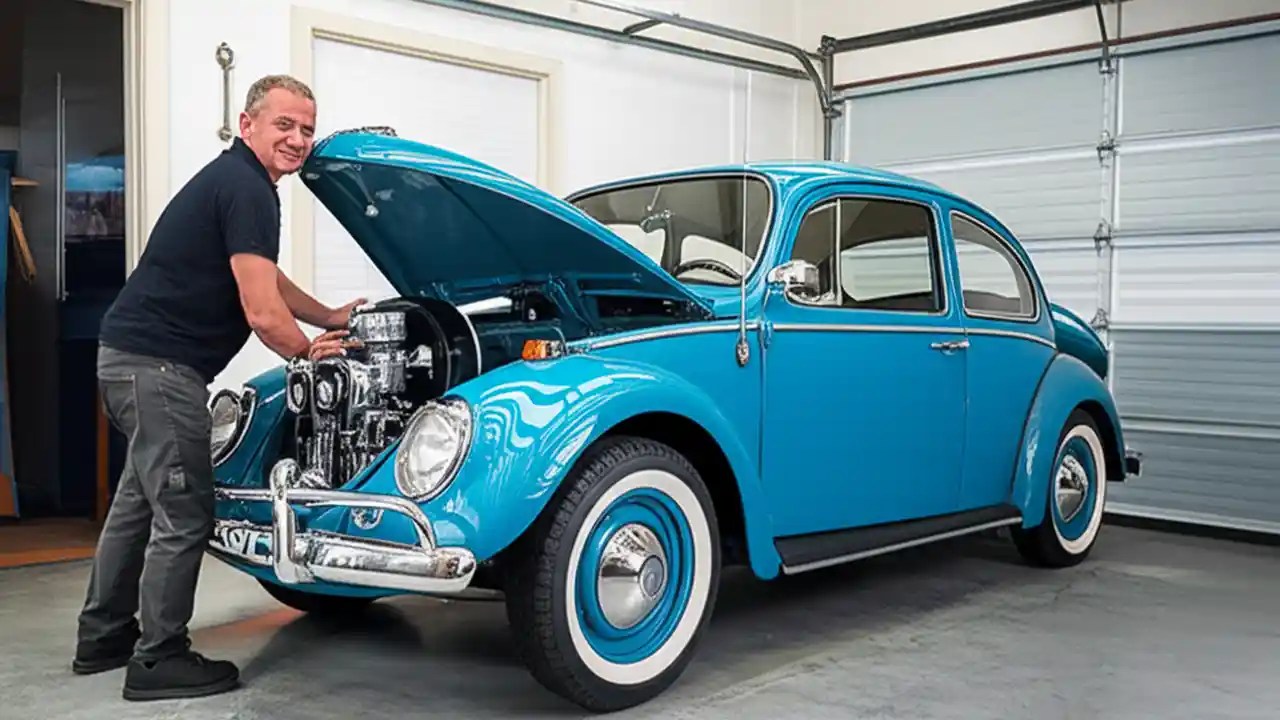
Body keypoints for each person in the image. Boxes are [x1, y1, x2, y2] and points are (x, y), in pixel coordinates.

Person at [71, 74, 362, 701]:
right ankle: (159, 660)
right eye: (285, 124)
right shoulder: (248, 188)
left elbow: (265, 278)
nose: (298, 139)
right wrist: (308, 352)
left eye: (307, 129)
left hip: (129, 361)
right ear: (247, 123)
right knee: (186, 512)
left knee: (137, 506)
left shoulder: (235, 182)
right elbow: (262, 312)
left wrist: (328, 316)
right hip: (160, 369)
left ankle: (103, 638)